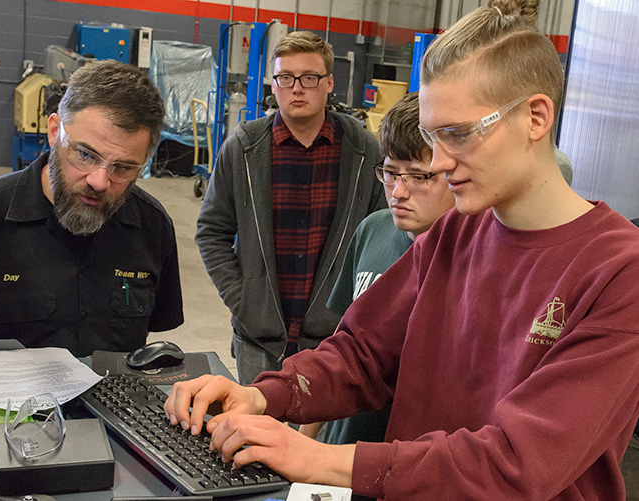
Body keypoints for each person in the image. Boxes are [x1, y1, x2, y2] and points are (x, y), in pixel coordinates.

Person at [165, 1, 639, 498]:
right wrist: (261, 396)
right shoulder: (454, 235)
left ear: (536, 117)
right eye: (434, 137)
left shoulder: (618, 271)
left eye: (457, 135)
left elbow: (517, 463)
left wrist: (322, 459)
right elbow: (362, 354)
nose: (438, 162)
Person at [196, 30, 386, 385]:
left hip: (333, 341)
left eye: (309, 78)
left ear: (329, 83)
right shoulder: (244, 148)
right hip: (258, 338)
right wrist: (245, 302)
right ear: (274, 84)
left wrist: (352, 314)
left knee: (318, 440)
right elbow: (212, 231)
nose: (297, 88)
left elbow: (381, 240)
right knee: (257, 434)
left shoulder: (362, 151)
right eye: (286, 77)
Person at [0, 60, 183, 357]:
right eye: (85, 155)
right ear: (55, 132)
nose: (100, 181)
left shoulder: (153, 227)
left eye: (123, 167)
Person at [300, 92, 455, 447]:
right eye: (389, 172)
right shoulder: (372, 229)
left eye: (418, 177)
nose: (399, 191)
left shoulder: (470, 260)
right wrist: (306, 438)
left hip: (404, 455)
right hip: (343, 446)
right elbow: (342, 345)